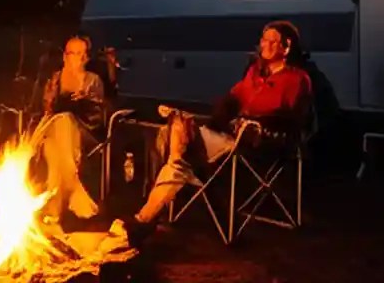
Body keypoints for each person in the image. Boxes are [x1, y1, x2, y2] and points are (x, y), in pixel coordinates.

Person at [114, 20, 313, 245]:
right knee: (176, 131)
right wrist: (224, 114)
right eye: (263, 39)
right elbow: (232, 99)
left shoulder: (296, 80)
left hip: (257, 143)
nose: (264, 45)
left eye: (271, 41)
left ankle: (147, 216)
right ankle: (148, 215)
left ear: (286, 47)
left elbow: (293, 121)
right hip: (228, 137)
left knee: (178, 138)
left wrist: (254, 124)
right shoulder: (254, 74)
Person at [38, 35, 106, 231]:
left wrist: (84, 101)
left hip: (85, 133)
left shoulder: (93, 81)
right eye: (70, 53)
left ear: (85, 57)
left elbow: (97, 118)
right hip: (56, 132)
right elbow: (47, 110)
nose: (73, 58)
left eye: (78, 53)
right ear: (64, 56)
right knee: (54, 138)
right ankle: (72, 190)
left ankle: (54, 206)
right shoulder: (56, 78)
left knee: (62, 125)